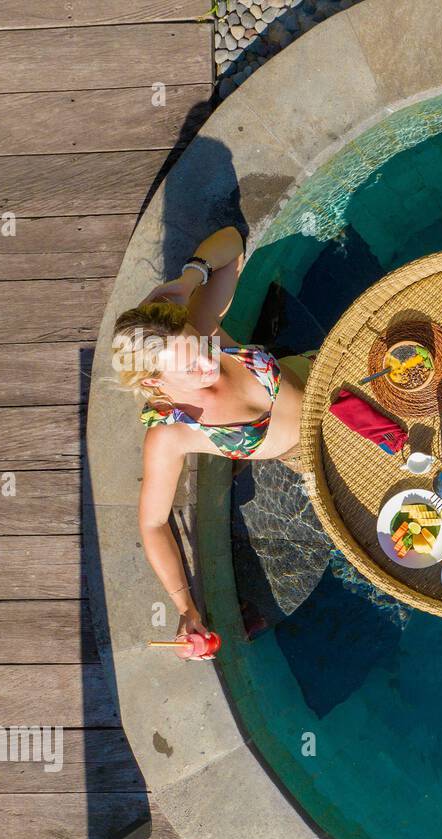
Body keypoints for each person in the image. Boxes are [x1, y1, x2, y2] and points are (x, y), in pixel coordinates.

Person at [112, 227, 309, 654]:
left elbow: (232, 245)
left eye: (200, 347)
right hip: (311, 451)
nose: (207, 361)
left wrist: (187, 280)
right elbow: (152, 522)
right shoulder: (171, 432)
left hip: (326, 376)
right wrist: (186, 607)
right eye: (190, 366)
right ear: (153, 381)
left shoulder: (199, 327)